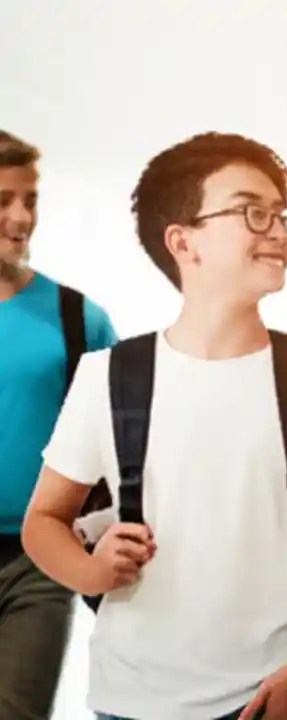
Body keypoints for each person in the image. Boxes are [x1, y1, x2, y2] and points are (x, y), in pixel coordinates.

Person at [22, 132, 287, 720]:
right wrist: (91, 568)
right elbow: (44, 522)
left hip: (273, 697)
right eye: (252, 213)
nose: (280, 233)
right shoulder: (109, 377)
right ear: (182, 241)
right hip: (132, 701)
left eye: (285, 216)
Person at [0, 129, 118, 720]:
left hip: (38, 560)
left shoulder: (78, 319)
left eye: (31, 199)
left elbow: (126, 443)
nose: (21, 217)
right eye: (4, 200)